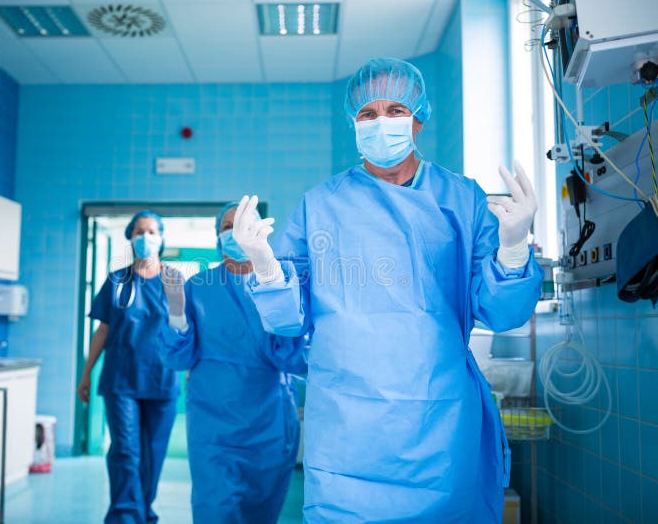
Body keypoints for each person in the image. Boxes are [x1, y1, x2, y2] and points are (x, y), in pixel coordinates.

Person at [232, 57, 544, 522]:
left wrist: (514, 247)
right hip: (347, 427)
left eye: (395, 110)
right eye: (367, 114)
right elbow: (288, 319)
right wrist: (264, 265)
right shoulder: (321, 205)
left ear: (418, 119)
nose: (382, 122)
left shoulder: (463, 199)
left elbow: (502, 313)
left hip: (439, 420)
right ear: (353, 125)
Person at [157, 202, 308, 523]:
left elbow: (297, 358)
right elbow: (176, 357)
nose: (235, 232)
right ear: (217, 237)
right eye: (228, 227)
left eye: (243, 225)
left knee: (261, 511)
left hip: (269, 423)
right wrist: (176, 315)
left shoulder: (276, 283)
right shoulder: (198, 287)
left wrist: (275, 296)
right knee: (215, 509)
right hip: (214, 425)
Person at [77, 210, 183, 524]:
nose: (146, 237)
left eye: (152, 231)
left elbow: (183, 331)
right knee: (125, 450)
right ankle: (125, 516)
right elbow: (104, 330)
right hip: (121, 380)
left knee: (152, 454)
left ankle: (143, 511)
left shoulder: (173, 280)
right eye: (139, 231)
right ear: (130, 237)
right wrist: (86, 373)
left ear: (161, 238)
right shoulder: (116, 280)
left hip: (162, 380)